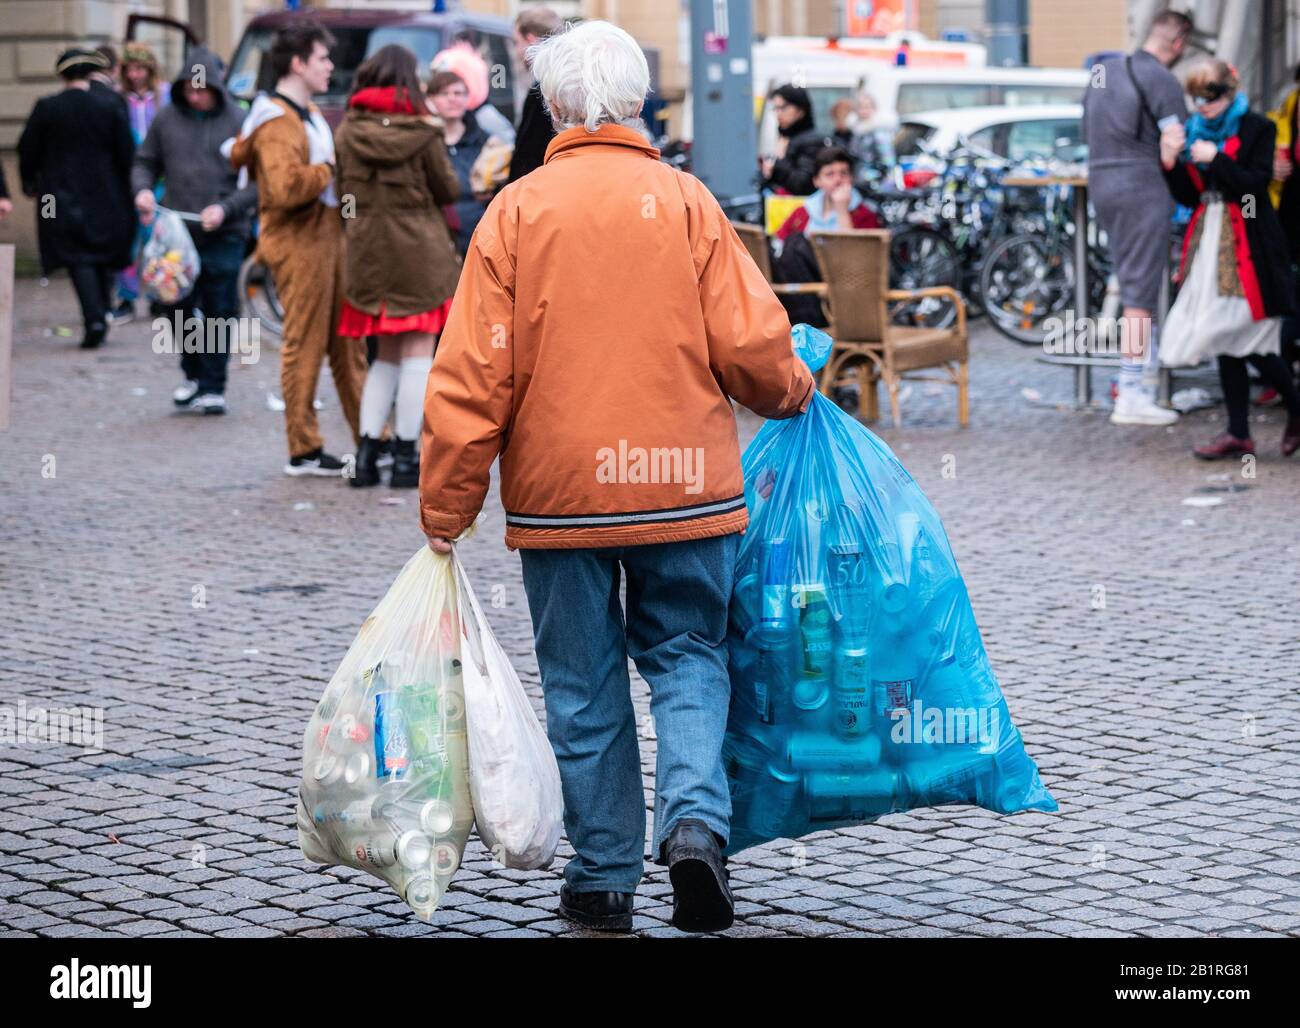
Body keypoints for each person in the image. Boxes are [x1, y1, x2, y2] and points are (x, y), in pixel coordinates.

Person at [419, 20, 815, 935]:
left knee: (581, 681)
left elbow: (473, 375)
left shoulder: (515, 212)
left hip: (563, 499)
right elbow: (753, 343)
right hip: (687, 488)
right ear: (639, 103)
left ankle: (601, 880)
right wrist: (793, 393)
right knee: (688, 657)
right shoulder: (685, 203)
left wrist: (448, 503)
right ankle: (693, 831)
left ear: (551, 105)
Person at [230, 21, 368, 476]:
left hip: (326, 237)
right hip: (297, 241)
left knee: (348, 343)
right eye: (323, 58)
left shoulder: (302, 109)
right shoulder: (275, 119)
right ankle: (303, 448)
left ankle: (371, 440)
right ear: (297, 63)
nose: (331, 66)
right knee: (304, 344)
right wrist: (329, 168)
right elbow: (286, 188)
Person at [334, 45, 460, 488]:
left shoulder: (348, 130)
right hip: (419, 254)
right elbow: (447, 187)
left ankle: (367, 455)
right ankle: (407, 457)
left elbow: (341, 193)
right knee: (417, 354)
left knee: (383, 357)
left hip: (368, 253)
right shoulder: (425, 130)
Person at [1161, 60, 1300, 459]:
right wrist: (1171, 162)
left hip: (1249, 241)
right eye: (1197, 99)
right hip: (1210, 239)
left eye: (1211, 98)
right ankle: (1238, 431)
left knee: (1243, 334)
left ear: (1229, 92)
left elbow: (1256, 189)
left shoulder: (1257, 127)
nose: (1203, 107)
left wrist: (1216, 159)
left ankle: (1290, 408)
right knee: (1224, 336)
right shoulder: (1194, 132)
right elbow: (1190, 196)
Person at [133, 47, 258, 415]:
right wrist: (142, 189)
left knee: (219, 306)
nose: (196, 96)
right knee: (174, 303)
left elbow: (258, 181)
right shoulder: (166, 119)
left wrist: (226, 208)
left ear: (217, 88)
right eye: (189, 89)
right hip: (176, 232)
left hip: (225, 230)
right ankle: (192, 373)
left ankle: (213, 385)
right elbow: (145, 162)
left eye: (202, 89)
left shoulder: (240, 120)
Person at [1082, 8, 1192, 426]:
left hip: (1103, 185)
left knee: (1129, 283)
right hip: (1142, 188)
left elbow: (1086, 134)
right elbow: (1172, 150)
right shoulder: (1162, 79)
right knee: (1140, 297)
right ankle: (1131, 392)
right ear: (1178, 43)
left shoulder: (1102, 72)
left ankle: (1138, 381)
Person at [17, 48, 135, 350]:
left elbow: (27, 149)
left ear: (62, 74)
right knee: (102, 251)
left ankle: (94, 316)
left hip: (60, 195)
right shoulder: (109, 105)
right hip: (106, 193)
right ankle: (102, 310)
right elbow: (126, 152)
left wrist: (29, 182)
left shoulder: (47, 107)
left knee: (77, 256)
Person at [772, 146, 882, 328]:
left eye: (844, 173)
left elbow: (856, 259)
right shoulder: (804, 212)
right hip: (802, 287)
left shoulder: (864, 213)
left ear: (851, 179)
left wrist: (841, 210)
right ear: (817, 181)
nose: (838, 179)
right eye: (830, 174)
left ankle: (810, 328)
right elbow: (778, 243)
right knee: (786, 246)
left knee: (797, 243)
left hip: (844, 284)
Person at [116, 42, 171, 324]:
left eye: (140, 69)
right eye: (130, 69)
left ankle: (158, 296)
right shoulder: (119, 99)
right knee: (128, 239)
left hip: (159, 175)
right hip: (127, 176)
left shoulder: (165, 96)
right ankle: (126, 296)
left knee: (156, 237)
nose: (135, 75)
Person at [428, 70, 497, 256]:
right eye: (444, 93)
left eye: (458, 93)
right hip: (436, 239)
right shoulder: (424, 144)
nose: (452, 99)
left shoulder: (487, 143)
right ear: (431, 100)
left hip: (478, 238)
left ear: (467, 98)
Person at [507, 5, 564, 184]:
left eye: (517, 42)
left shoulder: (542, 92)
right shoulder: (572, 82)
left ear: (530, 40)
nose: (516, 52)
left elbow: (527, 160)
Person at [761, 84, 833, 196]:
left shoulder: (812, 141)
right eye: (776, 108)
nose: (778, 114)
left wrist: (779, 162)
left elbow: (803, 185)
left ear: (800, 110)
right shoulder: (787, 138)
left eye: (783, 107)